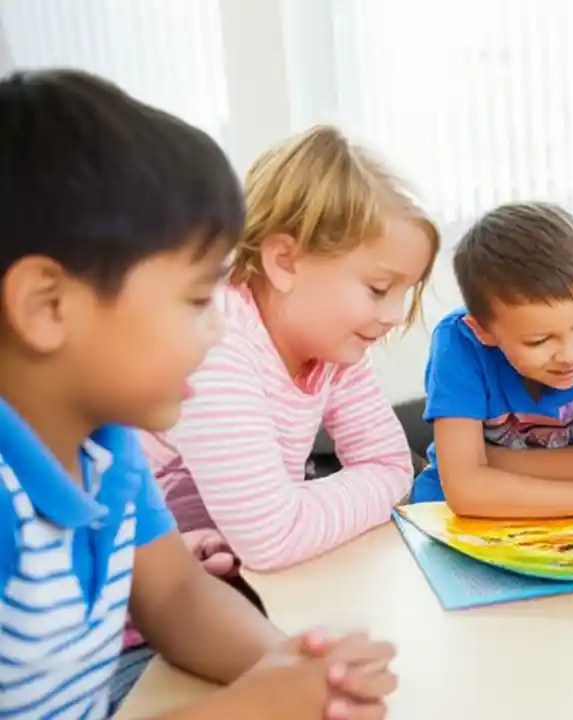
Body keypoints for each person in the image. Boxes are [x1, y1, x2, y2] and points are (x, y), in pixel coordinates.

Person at [0, 69, 396, 719]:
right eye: (193, 301)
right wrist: (252, 707)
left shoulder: (106, 450)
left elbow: (176, 597)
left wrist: (293, 667)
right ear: (47, 306)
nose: (217, 331)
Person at [144, 125, 439, 571]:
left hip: (209, 580)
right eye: (379, 289)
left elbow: (394, 467)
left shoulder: (335, 350)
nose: (396, 314)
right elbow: (271, 537)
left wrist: (291, 509)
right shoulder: (217, 340)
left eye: (404, 292)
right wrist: (285, 516)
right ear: (284, 262)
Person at [409, 202, 573, 517]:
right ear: (483, 331)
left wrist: (485, 462)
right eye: (539, 340)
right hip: (455, 517)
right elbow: (464, 491)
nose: (570, 354)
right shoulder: (458, 342)